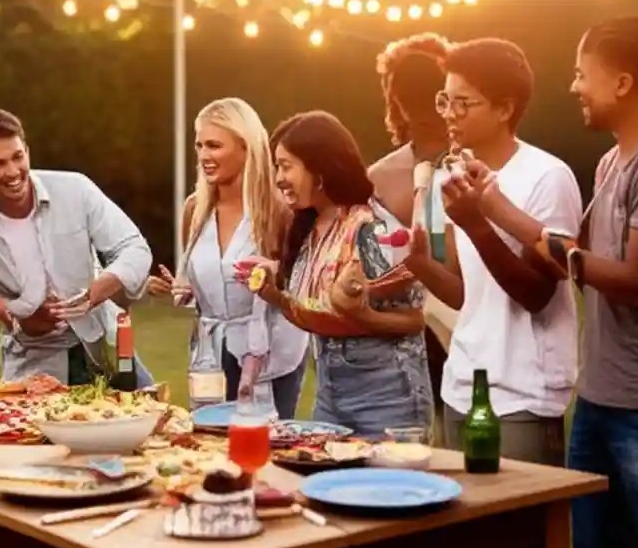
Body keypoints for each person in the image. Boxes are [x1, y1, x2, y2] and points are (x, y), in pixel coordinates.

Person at [477, 18, 638, 548]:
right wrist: (484, 212)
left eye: (583, 74)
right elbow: (574, 253)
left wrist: (501, 213)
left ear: (624, 83)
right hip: (601, 401)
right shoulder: (613, 163)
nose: (574, 87)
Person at [403, 38, 581, 466]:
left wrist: (477, 224)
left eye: (463, 103)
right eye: (445, 99)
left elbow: (536, 294)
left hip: (522, 394)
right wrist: (419, 264)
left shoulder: (547, 177)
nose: (449, 113)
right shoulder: (454, 174)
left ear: (504, 109)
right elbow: (466, 296)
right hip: (460, 383)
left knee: (519, 511)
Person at [247, 111, 433, 438]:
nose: (278, 179)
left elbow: (416, 319)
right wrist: (273, 289)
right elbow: (317, 308)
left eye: (286, 166)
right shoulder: (309, 226)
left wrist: (363, 316)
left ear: (320, 171)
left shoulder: (370, 228)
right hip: (329, 396)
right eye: (277, 167)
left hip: (387, 399)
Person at [0, 108, 155, 386]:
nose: (13, 171)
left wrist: (99, 290)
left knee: (149, 409)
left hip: (104, 343)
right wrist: (24, 323)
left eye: (18, 157)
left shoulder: (75, 189)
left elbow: (134, 248)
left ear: (27, 151)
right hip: (35, 360)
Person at [146, 98, 307, 416]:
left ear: (246, 148)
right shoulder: (195, 209)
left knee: (266, 441)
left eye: (215, 146)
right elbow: (206, 287)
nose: (204, 155)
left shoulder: (280, 210)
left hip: (271, 358)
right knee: (208, 438)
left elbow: (302, 282)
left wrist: (275, 272)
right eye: (199, 145)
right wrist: (184, 289)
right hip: (211, 356)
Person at [368, 32, 454, 412]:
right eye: (407, 91)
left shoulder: (483, 166)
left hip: (470, 331)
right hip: (400, 339)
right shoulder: (378, 178)